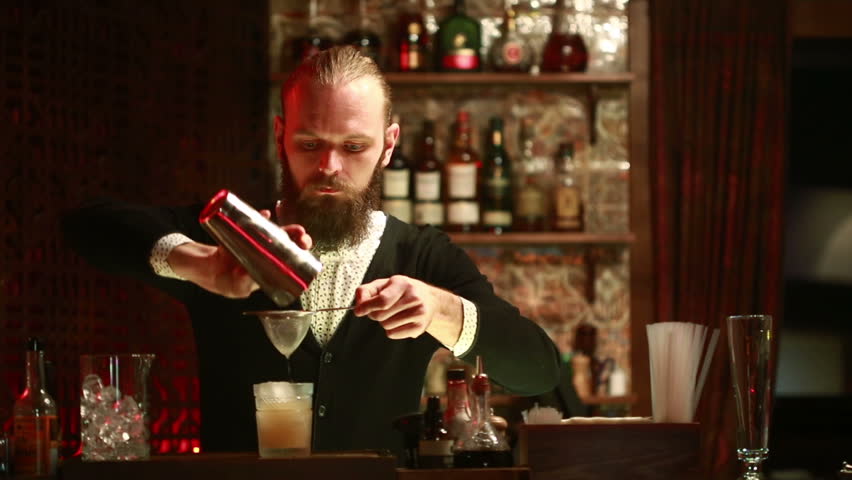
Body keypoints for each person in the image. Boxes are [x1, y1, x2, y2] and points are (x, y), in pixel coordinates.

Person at [62, 46, 561, 459]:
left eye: (353, 146)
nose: (329, 166)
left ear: (388, 146)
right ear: (280, 137)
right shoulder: (233, 238)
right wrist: (201, 263)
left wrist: (440, 309)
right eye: (309, 144)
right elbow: (88, 224)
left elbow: (537, 367)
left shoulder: (421, 256)